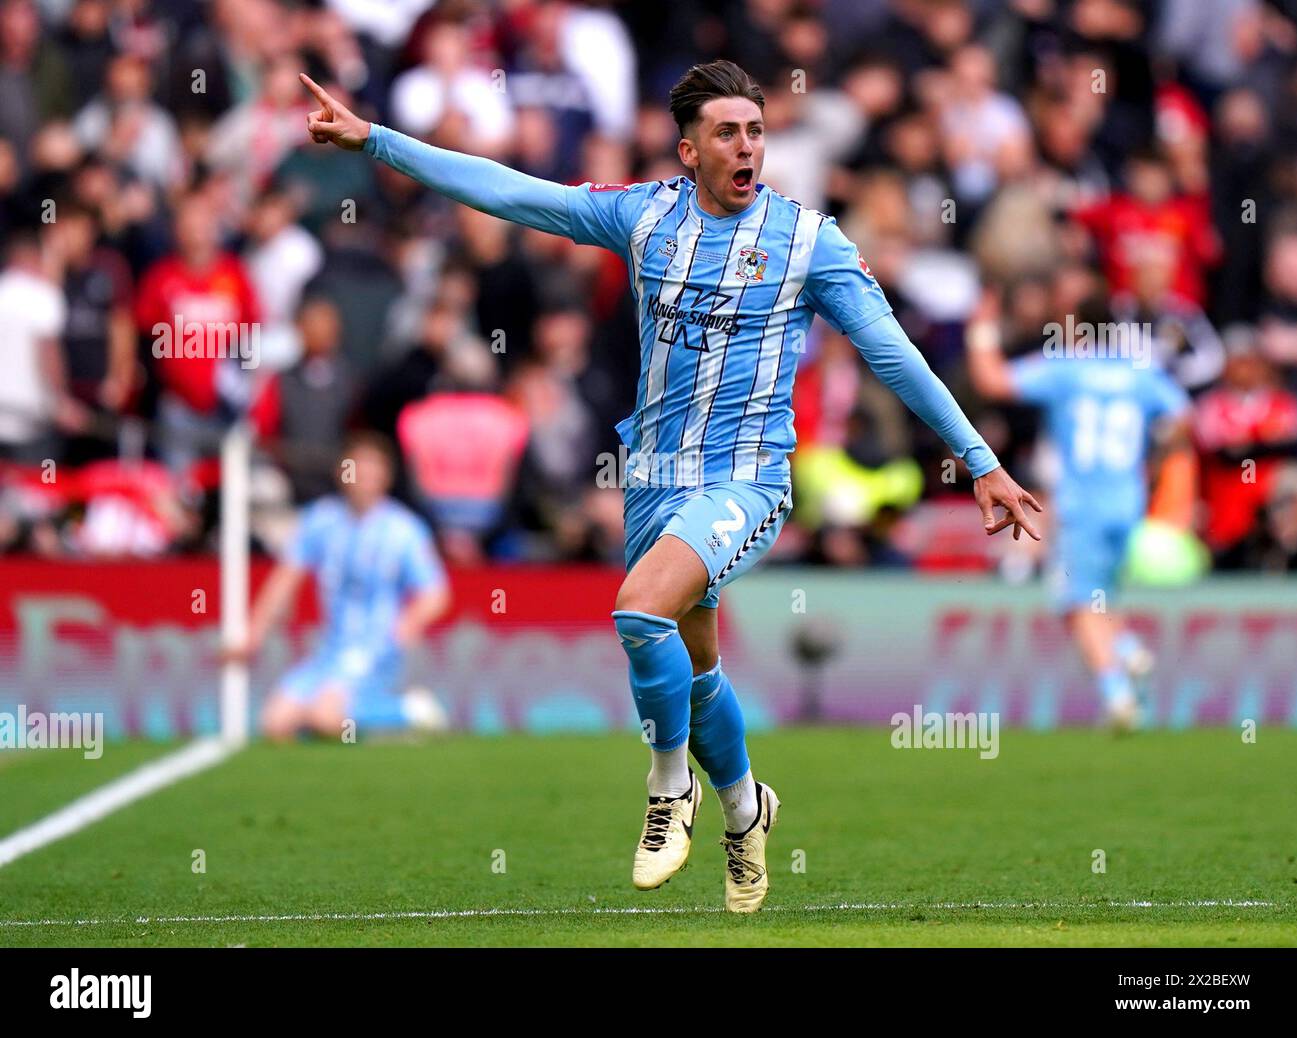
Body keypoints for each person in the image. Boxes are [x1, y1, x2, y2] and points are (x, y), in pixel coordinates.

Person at [299, 59, 1040, 912]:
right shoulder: (643, 216)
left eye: (755, 131)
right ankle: (745, 807)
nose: (746, 146)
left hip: (747, 478)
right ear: (688, 150)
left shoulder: (808, 242)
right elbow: (509, 191)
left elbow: (891, 352)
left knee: (638, 609)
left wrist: (979, 458)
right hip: (653, 479)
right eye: (727, 132)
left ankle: (667, 789)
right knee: (693, 666)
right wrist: (377, 140)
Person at [966, 292, 1192, 730]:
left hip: (1081, 503)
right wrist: (1155, 458)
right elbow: (1183, 416)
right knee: (1100, 593)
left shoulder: (1066, 370)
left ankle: (1116, 691)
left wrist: (980, 328)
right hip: (1128, 501)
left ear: (1077, 327)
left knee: (1075, 602)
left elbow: (991, 381)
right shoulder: (1139, 375)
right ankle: (1127, 647)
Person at [227, 431, 450, 741]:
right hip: (330, 650)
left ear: (386, 476)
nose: (364, 477)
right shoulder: (322, 520)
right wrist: (254, 632)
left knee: (325, 716)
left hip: (375, 649)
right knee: (274, 724)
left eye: (374, 469)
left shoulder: (403, 529)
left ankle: (410, 710)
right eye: (357, 468)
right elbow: (285, 579)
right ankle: (377, 728)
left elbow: (436, 593)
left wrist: (407, 623)